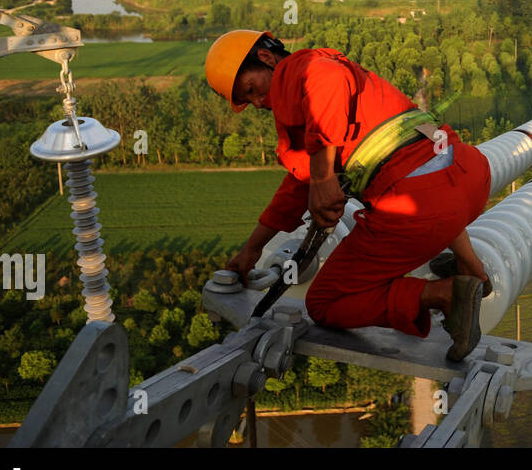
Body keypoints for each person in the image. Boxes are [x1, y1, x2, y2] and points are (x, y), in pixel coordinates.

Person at [204, 30, 493, 361]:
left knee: (325, 303)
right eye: (250, 101)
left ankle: (446, 295)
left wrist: (325, 176)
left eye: (252, 89)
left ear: (267, 58)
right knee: (426, 179)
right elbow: (297, 186)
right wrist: (251, 250)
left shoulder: (299, 70)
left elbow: (327, 82)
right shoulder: (318, 102)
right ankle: (473, 268)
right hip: (470, 175)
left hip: (420, 205)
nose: (258, 103)